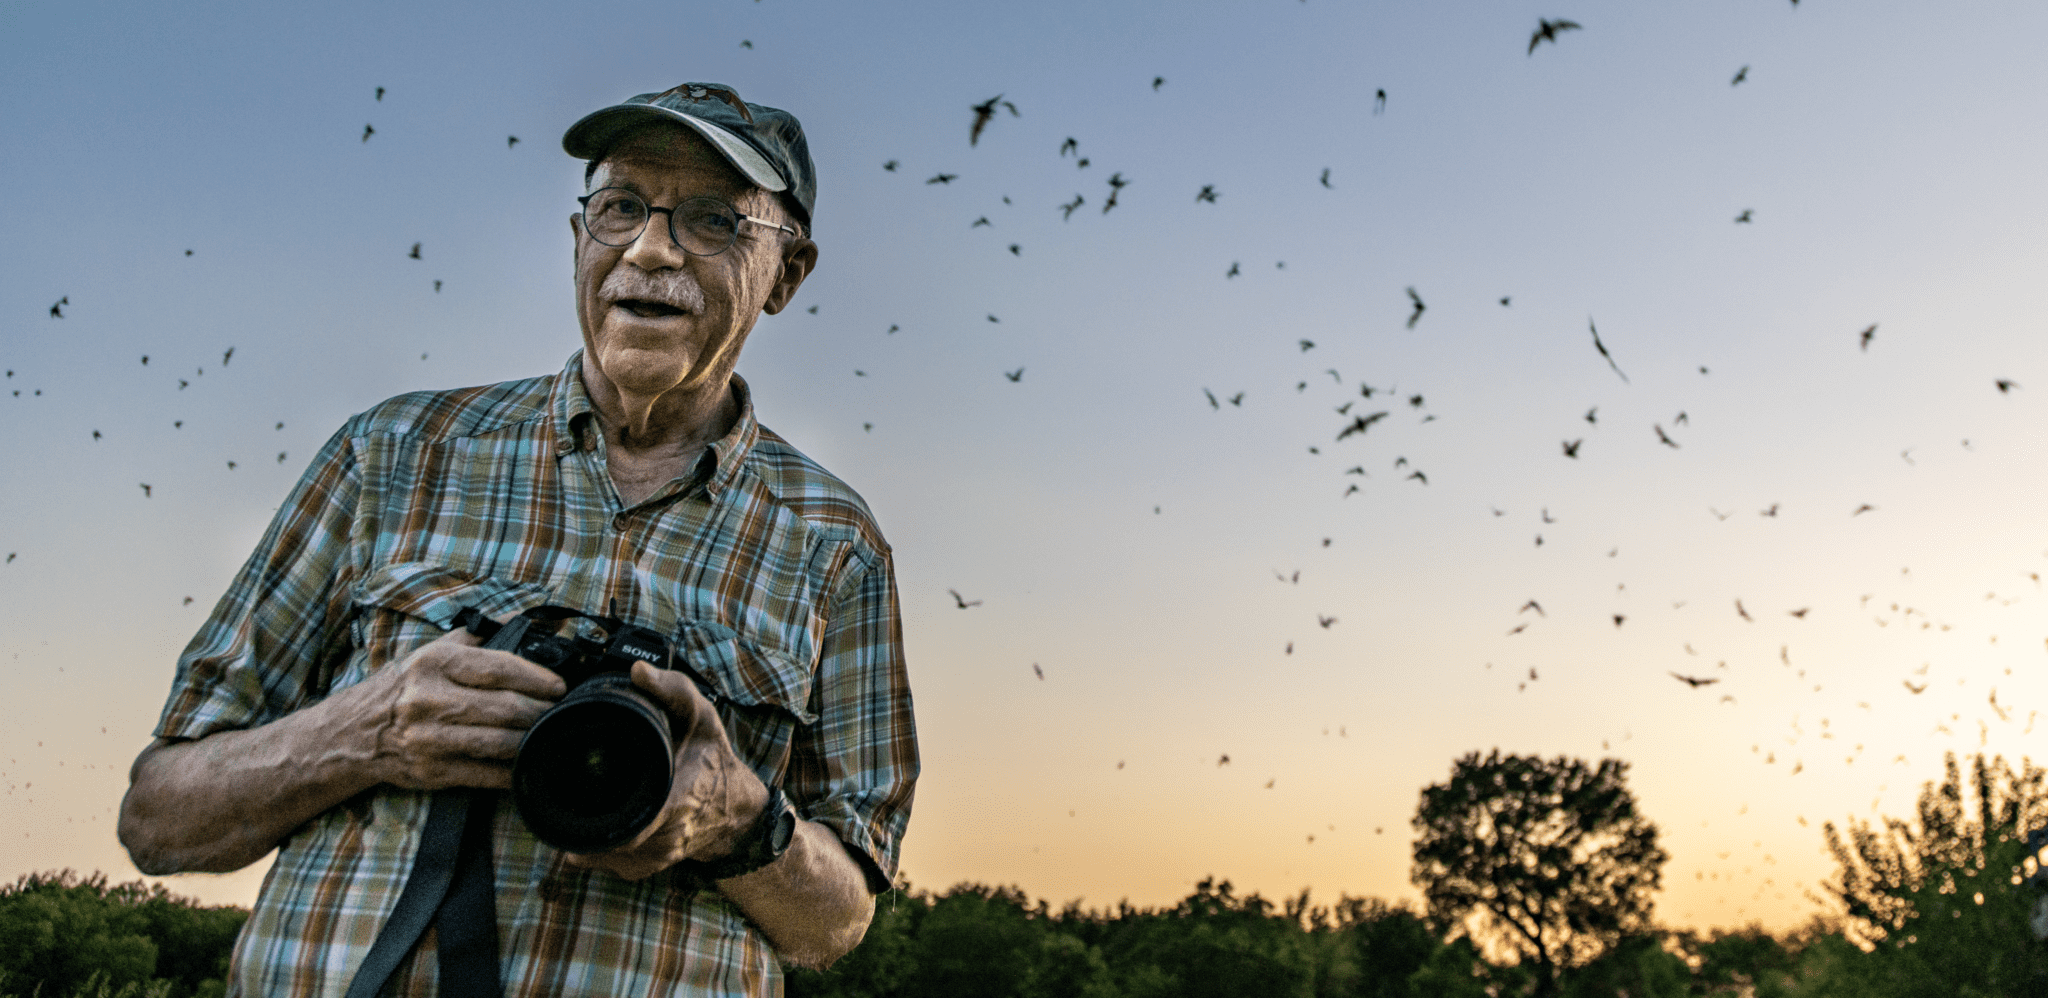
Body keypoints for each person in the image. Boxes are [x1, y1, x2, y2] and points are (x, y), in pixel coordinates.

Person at [118, 82, 917, 997]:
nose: (650, 248)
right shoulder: (391, 455)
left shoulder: (836, 546)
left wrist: (739, 819)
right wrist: (367, 730)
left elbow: (841, 918)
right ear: (579, 238)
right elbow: (158, 816)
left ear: (786, 274)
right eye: (619, 207)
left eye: (713, 221)